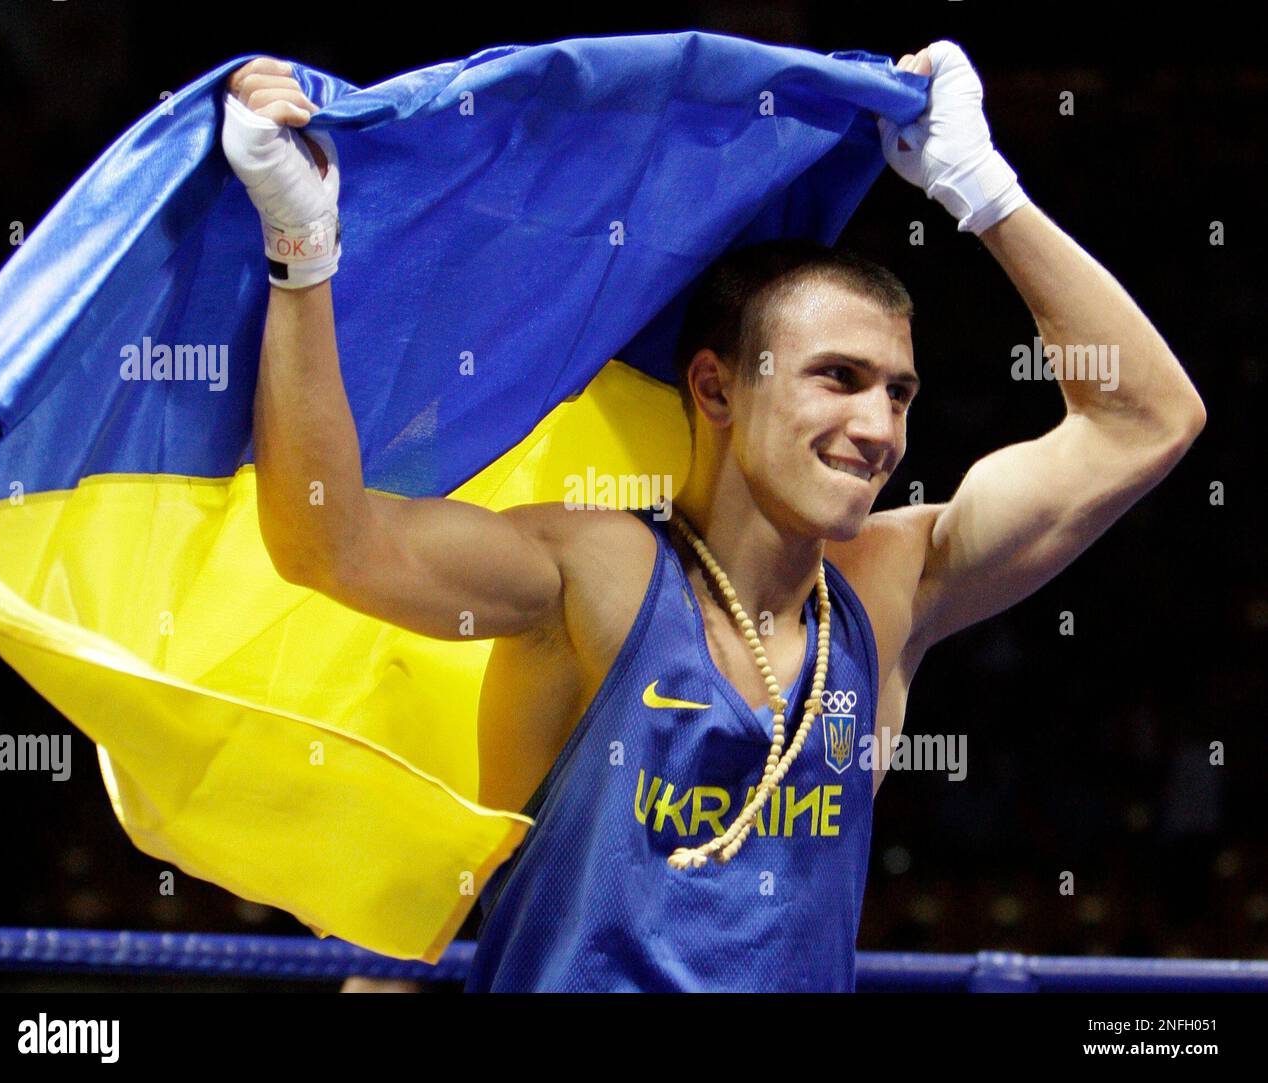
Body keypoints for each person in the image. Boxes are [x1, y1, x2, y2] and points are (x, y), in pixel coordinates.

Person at [222, 41, 1206, 992]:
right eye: (839, 379)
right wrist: (302, 253)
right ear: (716, 387)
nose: (877, 428)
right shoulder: (593, 575)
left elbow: (1144, 421)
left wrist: (984, 193)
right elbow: (327, 539)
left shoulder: (893, 586)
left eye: (898, 394)